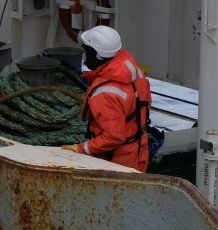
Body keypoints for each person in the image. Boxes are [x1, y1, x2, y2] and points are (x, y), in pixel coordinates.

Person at [64, 25, 153, 171]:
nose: (86, 57)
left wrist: (81, 149)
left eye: (88, 52)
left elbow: (114, 137)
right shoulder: (135, 72)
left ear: (97, 55)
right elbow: (145, 104)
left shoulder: (105, 93)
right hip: (139, 150)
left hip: (117, 161)